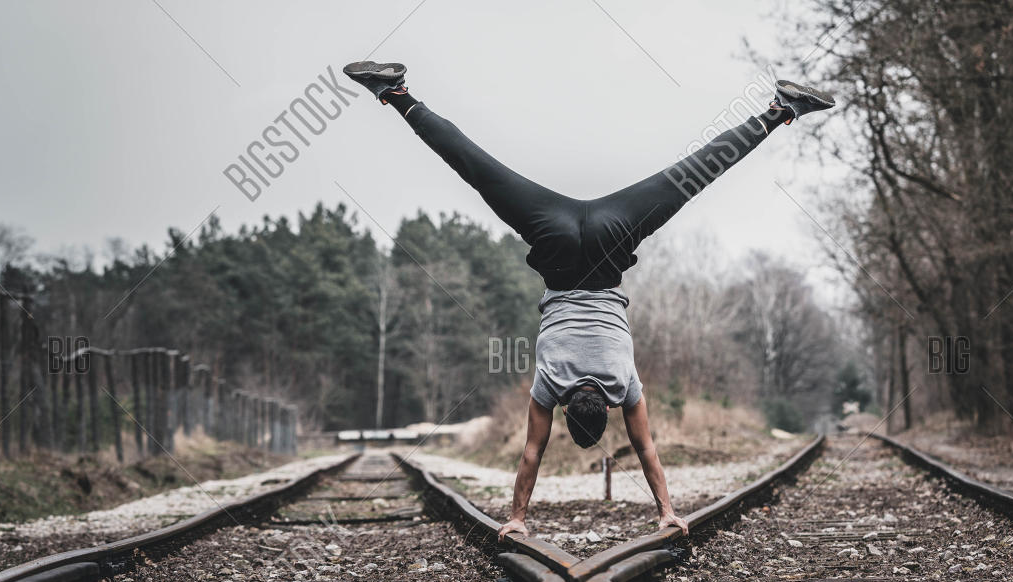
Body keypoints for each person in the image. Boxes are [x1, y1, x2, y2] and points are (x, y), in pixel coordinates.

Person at [343, 60, 835, 540]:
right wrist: (516, 519)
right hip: (553, 238)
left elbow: (646, 449)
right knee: (476, 166)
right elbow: (531, 454)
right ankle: (397, 94)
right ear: (566, 410)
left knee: (694, 172)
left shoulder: (623, 385)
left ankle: (780, 109)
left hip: (611, 236)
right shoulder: (550, 384)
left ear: (606, 408)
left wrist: (667, 511)